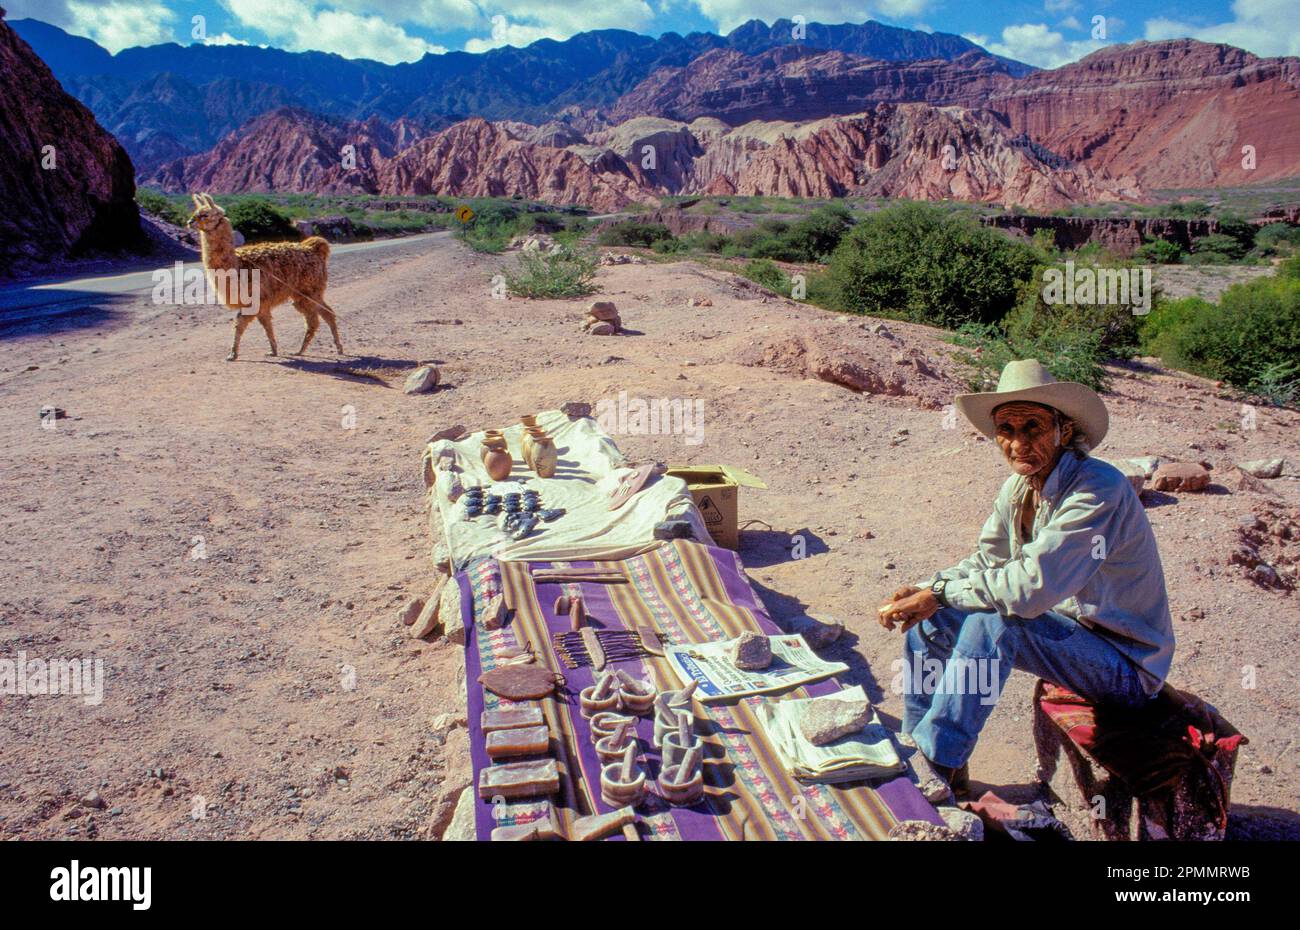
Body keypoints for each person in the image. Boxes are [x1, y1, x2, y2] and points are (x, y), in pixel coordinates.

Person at [878, 359, 1175, 793]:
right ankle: (922, 746)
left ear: (1064, 431)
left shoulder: (1098, 488)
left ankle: (937, 763)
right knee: (934, 618)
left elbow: (1029, 590)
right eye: (1007, 430)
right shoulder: (1019, 489)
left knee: (996, 621)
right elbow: (988, 561)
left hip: (1125, 667)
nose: (1018, 443)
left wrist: (940, 593)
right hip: (1074, 638)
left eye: (1032, 428)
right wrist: (930, 588)